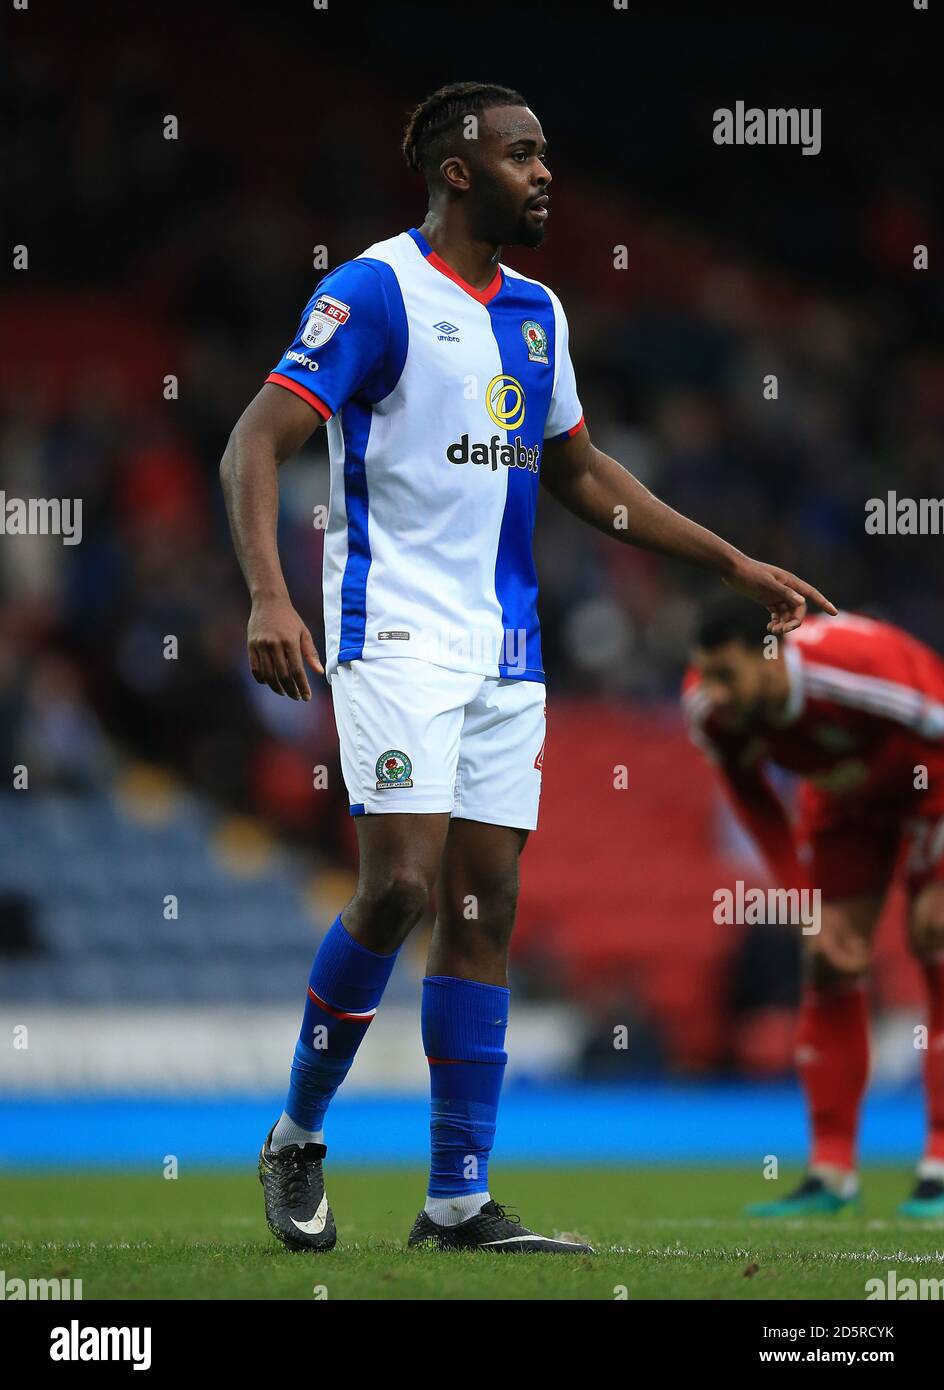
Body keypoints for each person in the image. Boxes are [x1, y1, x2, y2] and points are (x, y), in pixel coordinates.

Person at [220, 80, 833, 1254]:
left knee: (480, 904)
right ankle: (297, 1132)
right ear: (458, 170)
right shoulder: (374, 292)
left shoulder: (537, 314)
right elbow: (255, 438)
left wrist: (730, 562)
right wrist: (266, 592)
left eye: (546, 155)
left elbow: (584, 477)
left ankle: (455, 1196)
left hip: (504, 648)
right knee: (398, 883)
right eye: (521, 155)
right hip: (388, 627)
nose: (545, 174)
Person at [684, 596, 944, 1218]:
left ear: (772, 657)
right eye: (707, 674)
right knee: (829, 958)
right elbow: (753, 801)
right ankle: (832, 1173)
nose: (712, 691)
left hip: (935, 788)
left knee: (935, 931)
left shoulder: (858, 672)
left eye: (726, 675)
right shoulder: (711, 711)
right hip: (843, 806)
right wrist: (803, 902)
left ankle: (939, 1159)